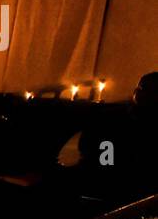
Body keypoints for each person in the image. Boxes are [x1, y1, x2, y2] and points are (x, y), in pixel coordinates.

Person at [58, 71, 158, 204]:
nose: (141, 93)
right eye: (140, 89)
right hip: (106, 184)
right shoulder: (111, 119)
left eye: (150, 91)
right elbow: (95, 151)